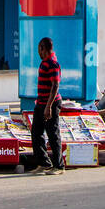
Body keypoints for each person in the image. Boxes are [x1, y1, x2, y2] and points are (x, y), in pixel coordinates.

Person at [30, 37, 64, 174]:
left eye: (39, 48)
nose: (38, 51)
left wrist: (48, 106)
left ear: (42, 48)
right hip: (41, 103)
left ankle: (59, 166)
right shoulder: (44, 63)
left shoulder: (52, 63)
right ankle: (44, 163)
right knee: (36, 133)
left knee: (52, 133)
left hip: (50, 104)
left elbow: (55, 85)